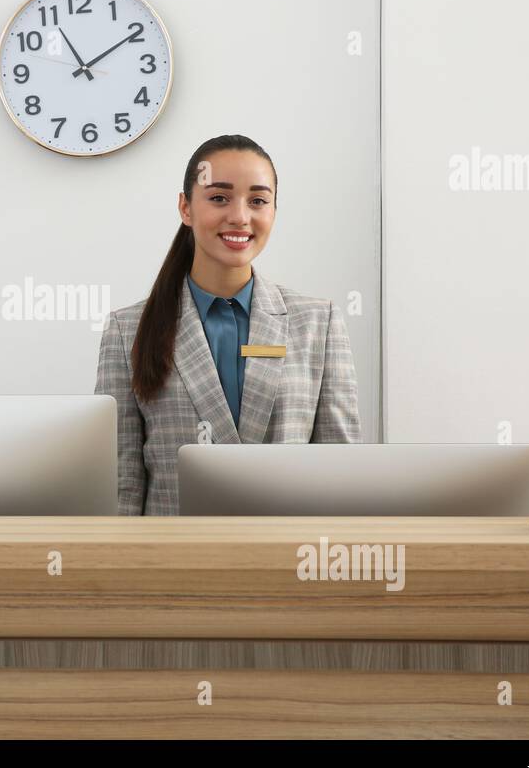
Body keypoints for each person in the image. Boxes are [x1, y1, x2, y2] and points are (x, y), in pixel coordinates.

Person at [95, 133, 361, 515]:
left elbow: (343, 478)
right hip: (173, 565)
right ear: (186, 208)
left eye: (258, 201)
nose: (239, 216)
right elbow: (122, 487)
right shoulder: (127, 330)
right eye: (219, 198)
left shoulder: (319, 322)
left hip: (290, 565)